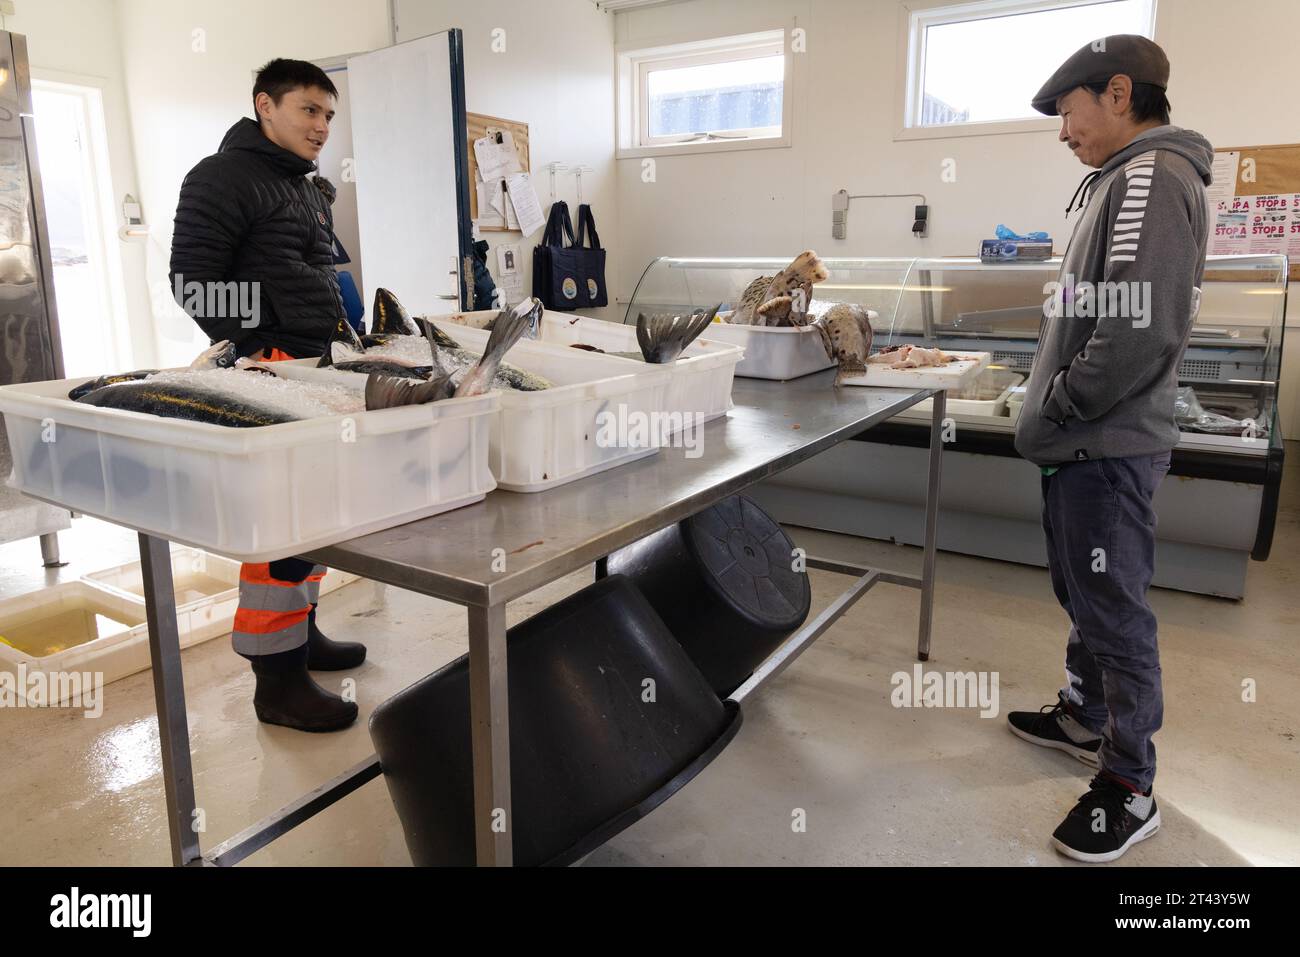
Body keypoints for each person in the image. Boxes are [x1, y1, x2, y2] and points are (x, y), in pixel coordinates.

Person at [1008, 35, 1212, 862]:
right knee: (1086, 592)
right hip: (1087, 441)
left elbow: (1133, 327)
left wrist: (1058, 406)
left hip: (1105, 442)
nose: (1063, 131)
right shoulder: (1126, 179)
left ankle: (1129, 783)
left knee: (1115, 611)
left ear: (1118, 93)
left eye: (1068, 110)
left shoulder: (1149, 178)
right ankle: (1085, 713)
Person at [170, 58, 367, 733]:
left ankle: (302, 636)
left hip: (320, 366)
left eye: (329, 116)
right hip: (276, 369)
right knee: (282, 526)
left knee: (318, 516)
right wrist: (254, 345)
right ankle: (276, 682)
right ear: (265, 105)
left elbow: (317, 272)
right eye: (309, 110)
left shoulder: (305, 186)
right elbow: (192, 282)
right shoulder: (221, 177)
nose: (322, 127)